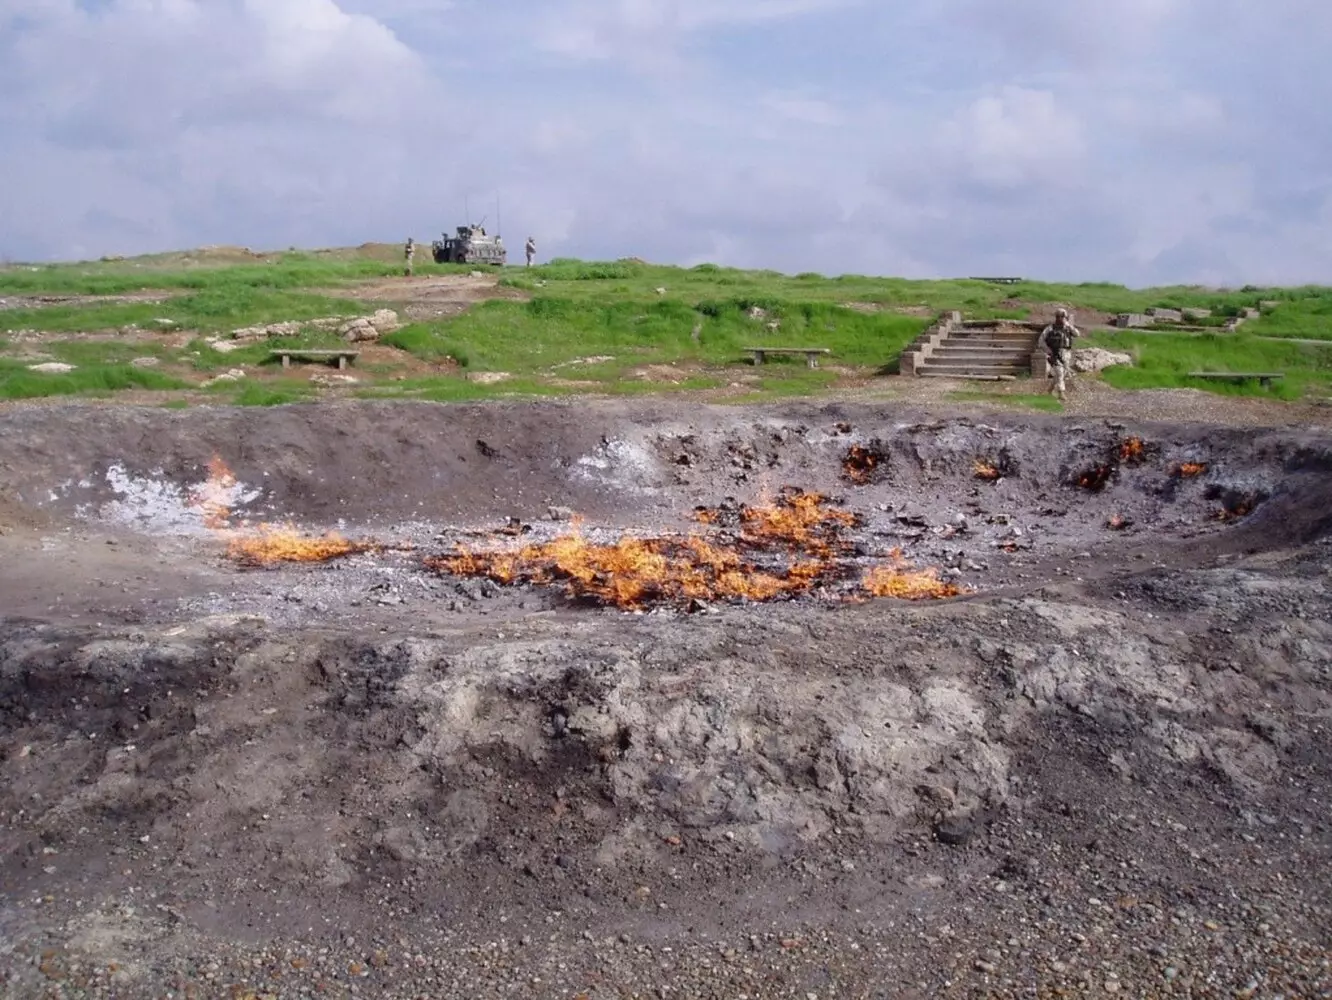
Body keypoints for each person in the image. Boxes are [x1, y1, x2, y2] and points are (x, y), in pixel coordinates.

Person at [1041, 307, 1080, 401]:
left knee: (1063, 373)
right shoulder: (1050, 328)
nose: (1060, 319)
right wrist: (1048, 351)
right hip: (1055, 354)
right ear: (1056, 317)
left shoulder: (1067, 327)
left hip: (1066, 353)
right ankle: (1061, 392)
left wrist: (1069, 326)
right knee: (1060, 373)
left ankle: (1050, 390)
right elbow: (1041, 341)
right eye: (1058, 316)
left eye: (1062, 317)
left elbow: (1077, 334)